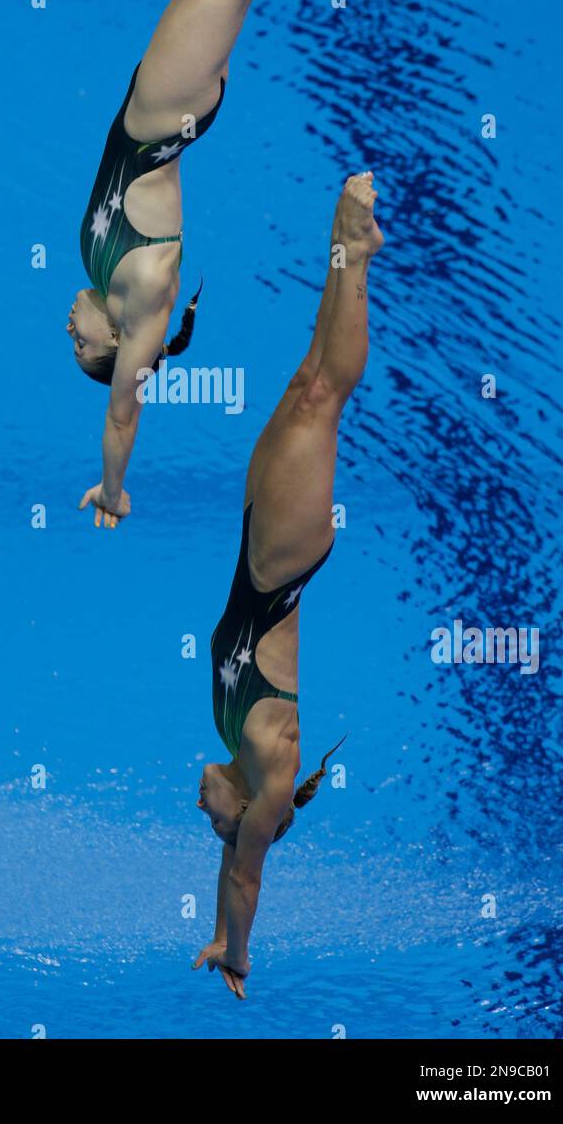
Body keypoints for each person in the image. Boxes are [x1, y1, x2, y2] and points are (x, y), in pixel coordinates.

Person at [71, 0, 358, 529]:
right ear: (114, 346)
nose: (70, 332)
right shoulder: (143, 310)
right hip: (164, 116)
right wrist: (111, 490)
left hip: (159, 110)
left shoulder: (103, 278)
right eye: (81, 350)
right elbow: (123, 421)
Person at [193, 171, 383, 999]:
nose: (199, 811)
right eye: (212, 822)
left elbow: (226, 871)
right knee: (322, 395)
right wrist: (236, 954)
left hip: (256, 545)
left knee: (308, 374)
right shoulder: (265, 774)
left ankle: (347, 251)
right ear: (242, 816)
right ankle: (357, 245)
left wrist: (210, 934)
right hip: (283, 566)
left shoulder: (239, 755)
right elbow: (245, 877)